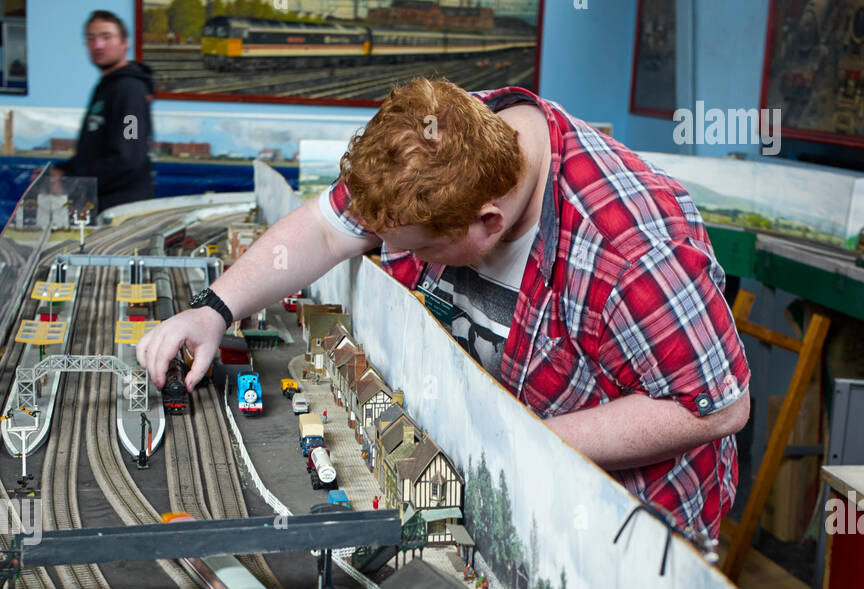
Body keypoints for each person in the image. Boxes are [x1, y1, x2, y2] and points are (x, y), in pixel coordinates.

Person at [137, 78, 751, 540]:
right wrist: (214, 309)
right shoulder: (436, 144)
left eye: (416, 249)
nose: (391, 252)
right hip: (496, 474)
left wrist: (504, 444)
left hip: (620, 528)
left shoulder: (631, 250)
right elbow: (327, 231)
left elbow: (718, 408)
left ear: (487, 222)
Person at [55, 10, 154, 215]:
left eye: (106, 37)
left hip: (118, 213)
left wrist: (70, 182)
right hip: (97, 207)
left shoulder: (130, 92)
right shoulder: (106, 88)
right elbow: (95, 152)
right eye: (91, 39)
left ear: (125, 42)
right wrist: (64, 170)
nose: (97, 45)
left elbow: (128, 156)